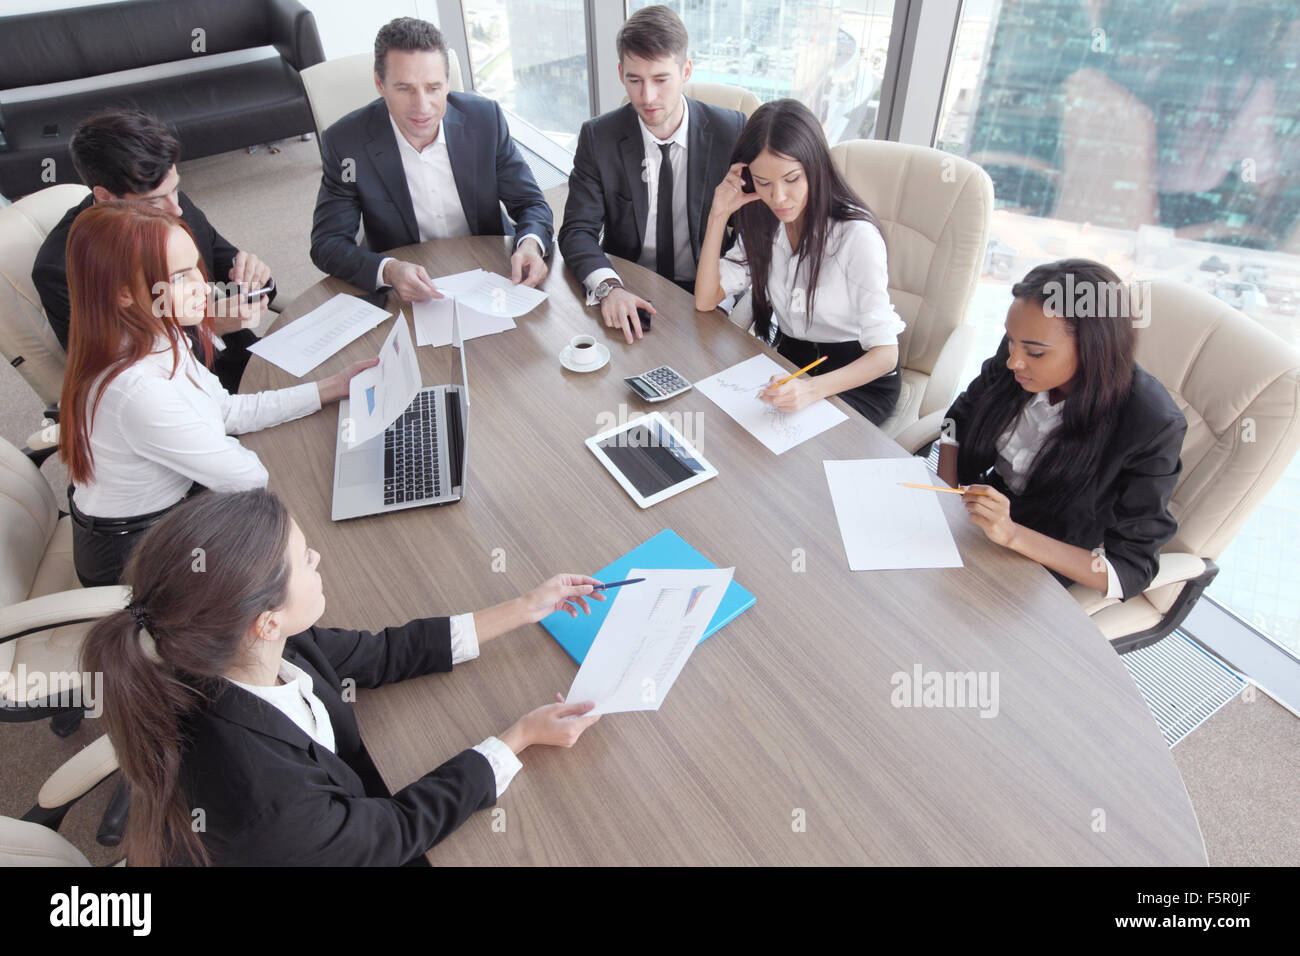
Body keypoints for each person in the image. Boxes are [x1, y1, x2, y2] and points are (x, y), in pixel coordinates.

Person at [81, 488, 603, 866]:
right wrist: (520, 738)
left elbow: (382, 653)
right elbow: (397, 832)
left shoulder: (241, 646)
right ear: (266, 620)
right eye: (304, 561)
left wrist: (526, 606)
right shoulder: (267, 798)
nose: (317, 559)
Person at [58, 202, 375, 587]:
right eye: (178, 277)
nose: (203, 287)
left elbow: (224, 410)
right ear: (124, 294)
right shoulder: (137, 390)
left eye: (196, 267)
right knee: (317, 565)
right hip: (131, 554)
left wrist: (329, 387)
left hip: (175, 506)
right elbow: (246, 477)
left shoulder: (160, 330)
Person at [937, 259, 1187, 600]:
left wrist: (1011, 534)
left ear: (1093, 350)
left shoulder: (1151, 424)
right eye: (1011, 342)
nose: (1013, 361)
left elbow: (1130, 569)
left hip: (1041, 562)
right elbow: (956, 420)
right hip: (972, 518)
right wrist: (945, 493)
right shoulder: (1021, 351)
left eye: (1035, 353)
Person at [310, 17, 553, 303]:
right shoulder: (346, 144)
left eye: (433, 87)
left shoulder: (485, 120)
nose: (422, 107)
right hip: (406, 284)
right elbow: (328, 243)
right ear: (380, 83)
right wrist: (387, 270)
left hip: (492, 271)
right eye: (404, 89)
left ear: (448, 83)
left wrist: (530, 244)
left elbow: (531, 204)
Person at [695, 99, 905, 424]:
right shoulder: (762, 220)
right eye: (764, 183)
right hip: (792, 360)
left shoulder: (855, 237)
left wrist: (810, 390)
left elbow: (885, 356)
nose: (778, 197)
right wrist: (719, 214)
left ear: (815, 167)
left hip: (854, 378)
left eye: (791, 179)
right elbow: (707, 299)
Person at [32, 108, 271, 392]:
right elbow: (113, 372)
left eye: (176, 189)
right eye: (155, 201)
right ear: (106, 197)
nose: (177, 209)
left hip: (246, 359)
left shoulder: (169, 199)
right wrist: (210, 327)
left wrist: (255, 279)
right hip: (178, 395)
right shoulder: (60, 268)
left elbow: (227, 274)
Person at [559, 5, 746, 344]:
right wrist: (610, 288)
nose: (647, 97)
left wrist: (726, 293)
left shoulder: (731, 132)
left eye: (661, 80)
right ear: (620, 74)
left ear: (686, 70)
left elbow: (755, 232)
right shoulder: (598, 137)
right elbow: (576, 231)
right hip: (629, 286)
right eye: (635, 80)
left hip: (706, 294)